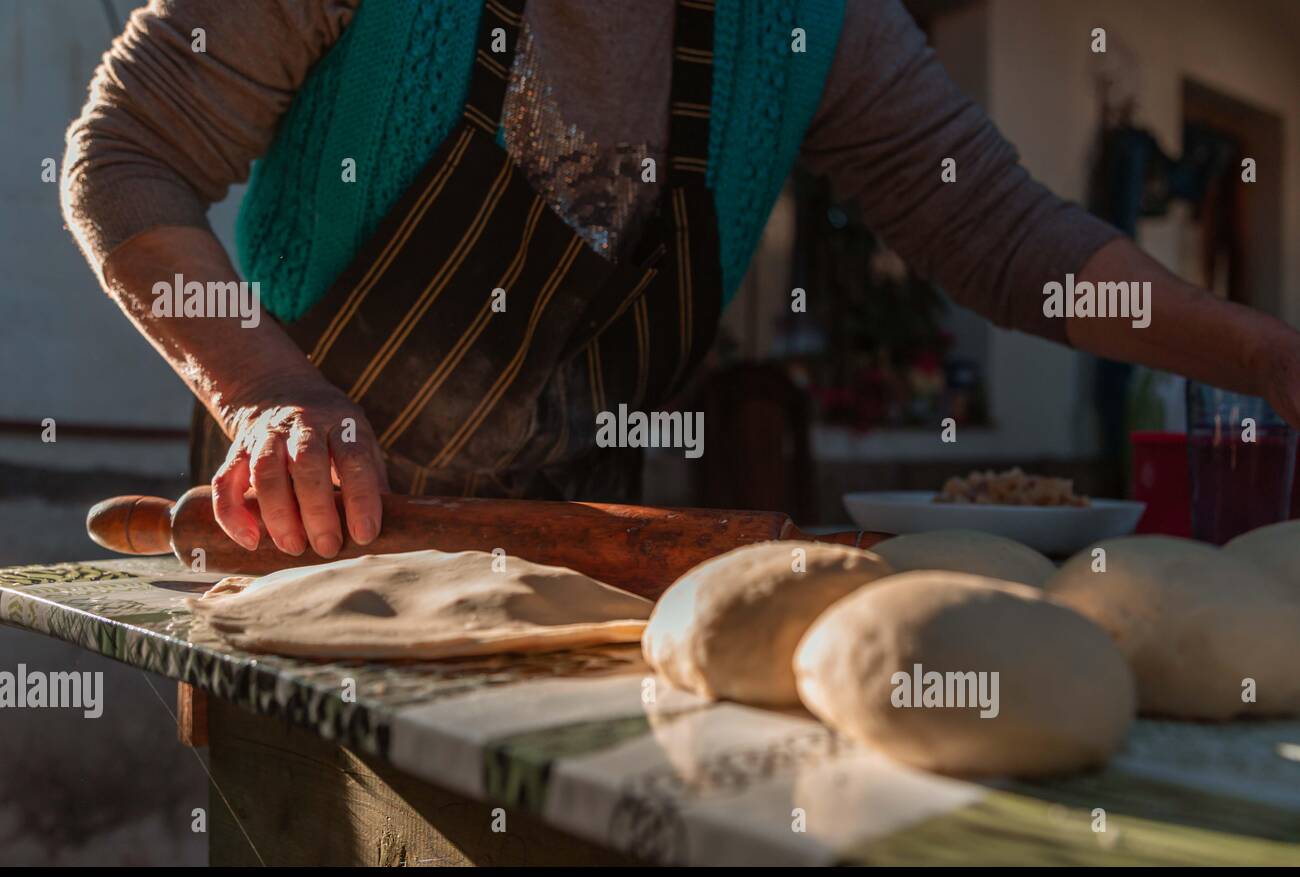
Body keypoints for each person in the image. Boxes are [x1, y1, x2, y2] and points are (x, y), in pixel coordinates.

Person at [62, 0, 1300, 560]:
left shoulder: (811, 20)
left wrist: (1261, 356)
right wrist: (270, 389)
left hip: (580, 572)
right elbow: (125, 161)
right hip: (295, 545)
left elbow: (1011, 238)